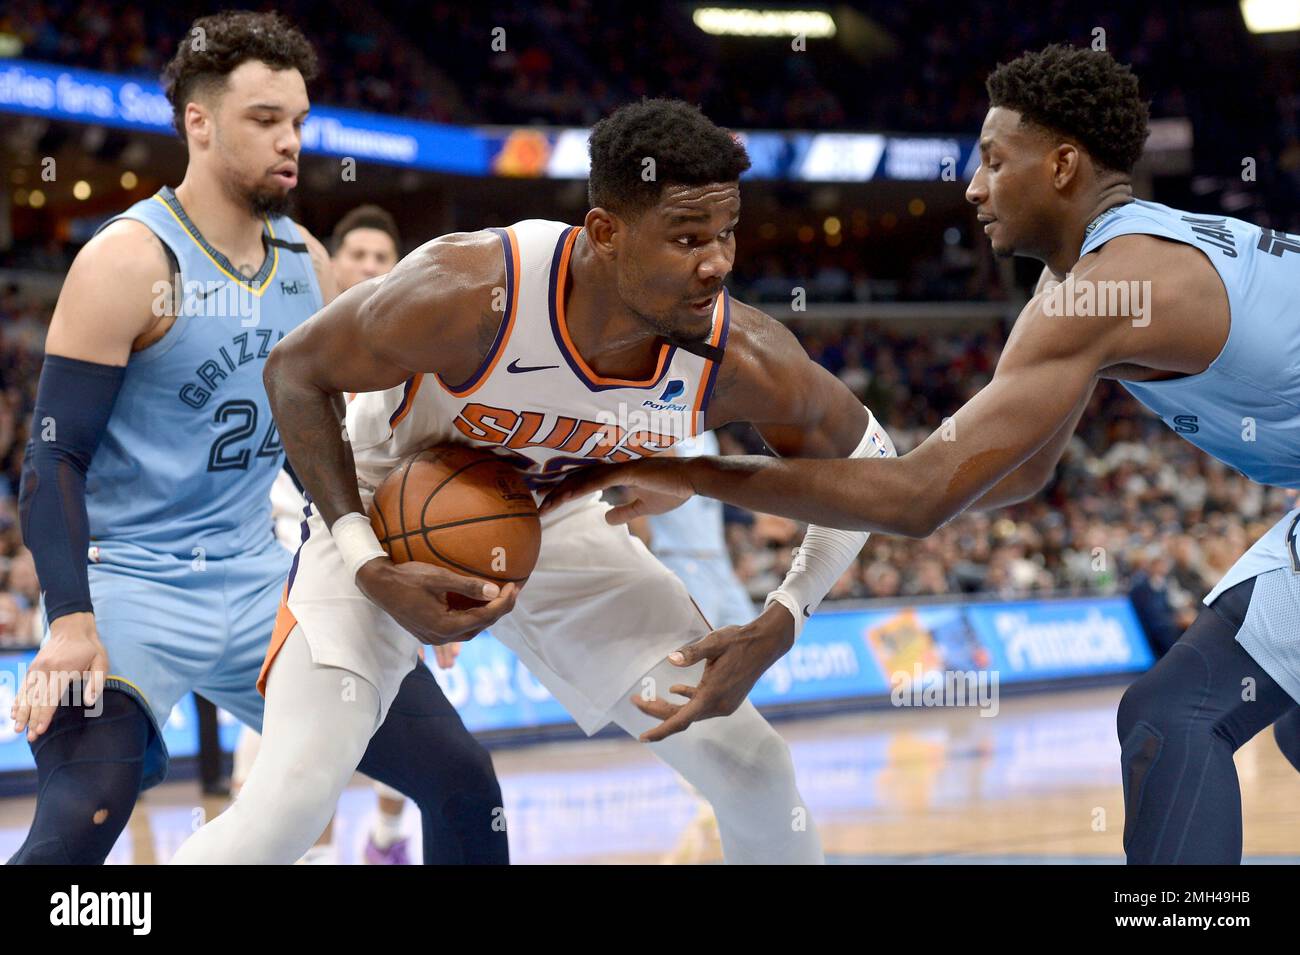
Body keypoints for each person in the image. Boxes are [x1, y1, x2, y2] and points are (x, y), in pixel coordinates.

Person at [544, 46, 1300, 865]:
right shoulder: (1101, 277)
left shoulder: (1106, 288)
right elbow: (1019, 472)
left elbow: (918, 494)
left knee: (1174, 715)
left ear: (1064, 165)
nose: (973, 186)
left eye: (992, 160)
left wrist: (694, 473)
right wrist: (862, 494)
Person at [171, 97, 903, 865]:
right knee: (288, 805)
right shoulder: (469, 290)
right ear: (604, 234)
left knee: (753, 765)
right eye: (687, 237)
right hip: (391, 505)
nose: (716, 261)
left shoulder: (739, 352)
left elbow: (873, 464)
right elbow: (293, 371)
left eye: (726, 233)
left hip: (556, 520)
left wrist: (785, 612)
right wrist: (363, 558)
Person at [8, 11, 505, 865]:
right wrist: (69, 620)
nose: (292, 141)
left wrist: (394, 571)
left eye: (300, 121)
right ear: (198, 124)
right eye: (266, 120)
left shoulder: (307, 263)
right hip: (128, 586)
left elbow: (330, 451)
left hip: (262, 582)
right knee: (81, 819)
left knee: (462, 777)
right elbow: (54, 454)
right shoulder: (128, 262)